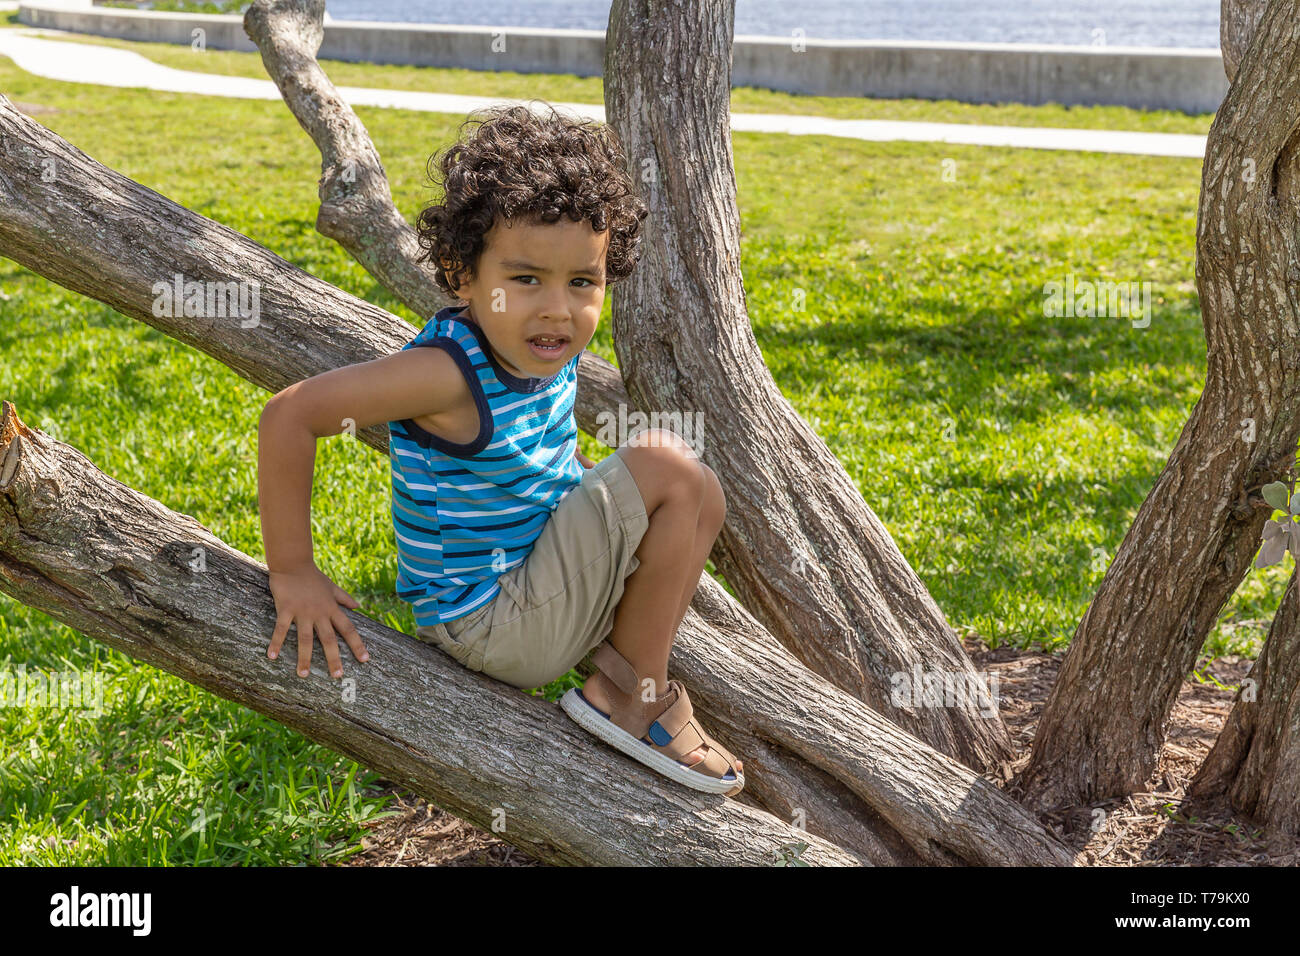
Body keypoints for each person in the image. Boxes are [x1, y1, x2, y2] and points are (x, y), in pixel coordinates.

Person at [257, 102, 742, 796]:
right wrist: (294, 572)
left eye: (582, 282)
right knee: (667, 464)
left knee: (702, 488)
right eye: (526, 280)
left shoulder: (539, 348)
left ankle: (623, 672)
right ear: (463, 277)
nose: (557, 308)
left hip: (533, 580)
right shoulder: (447, 374)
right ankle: (631, 698)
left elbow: (530, 463)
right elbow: (291, 416)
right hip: (488, 621)